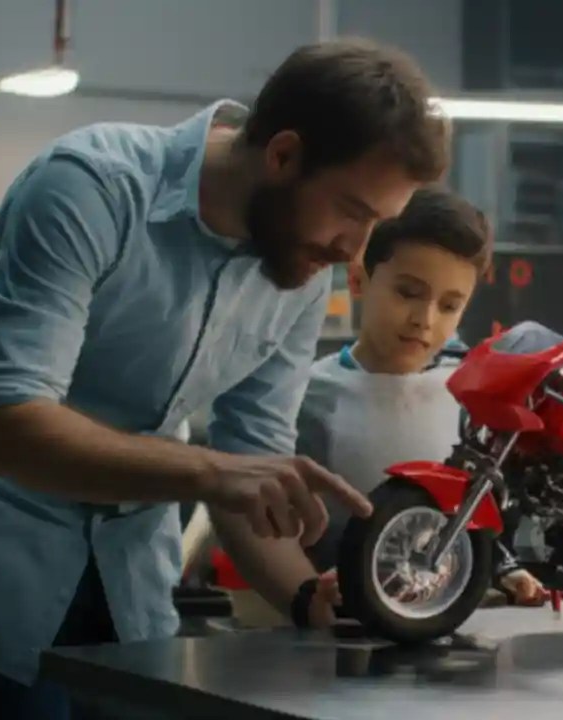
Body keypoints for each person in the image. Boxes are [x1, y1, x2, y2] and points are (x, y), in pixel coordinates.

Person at [0, 37, 449, 718]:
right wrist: (209, 472)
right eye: (353, 210)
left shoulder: (301, 268)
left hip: (128, 567)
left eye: (378, 223)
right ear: (283, 155)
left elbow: (251, 471)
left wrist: (304, 595)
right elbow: (3, 424)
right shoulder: (90, 189)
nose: (356, 250)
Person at [226, 186, 546, 629]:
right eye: (408, 292)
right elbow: (274, 523)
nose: (425, 319)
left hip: (443, 618)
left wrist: (505, 568)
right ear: (359, 279)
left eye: (449, 305)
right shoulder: (305, 396)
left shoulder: (469, 400)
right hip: (342, 625)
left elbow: (480, 512)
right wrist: (315, 585)